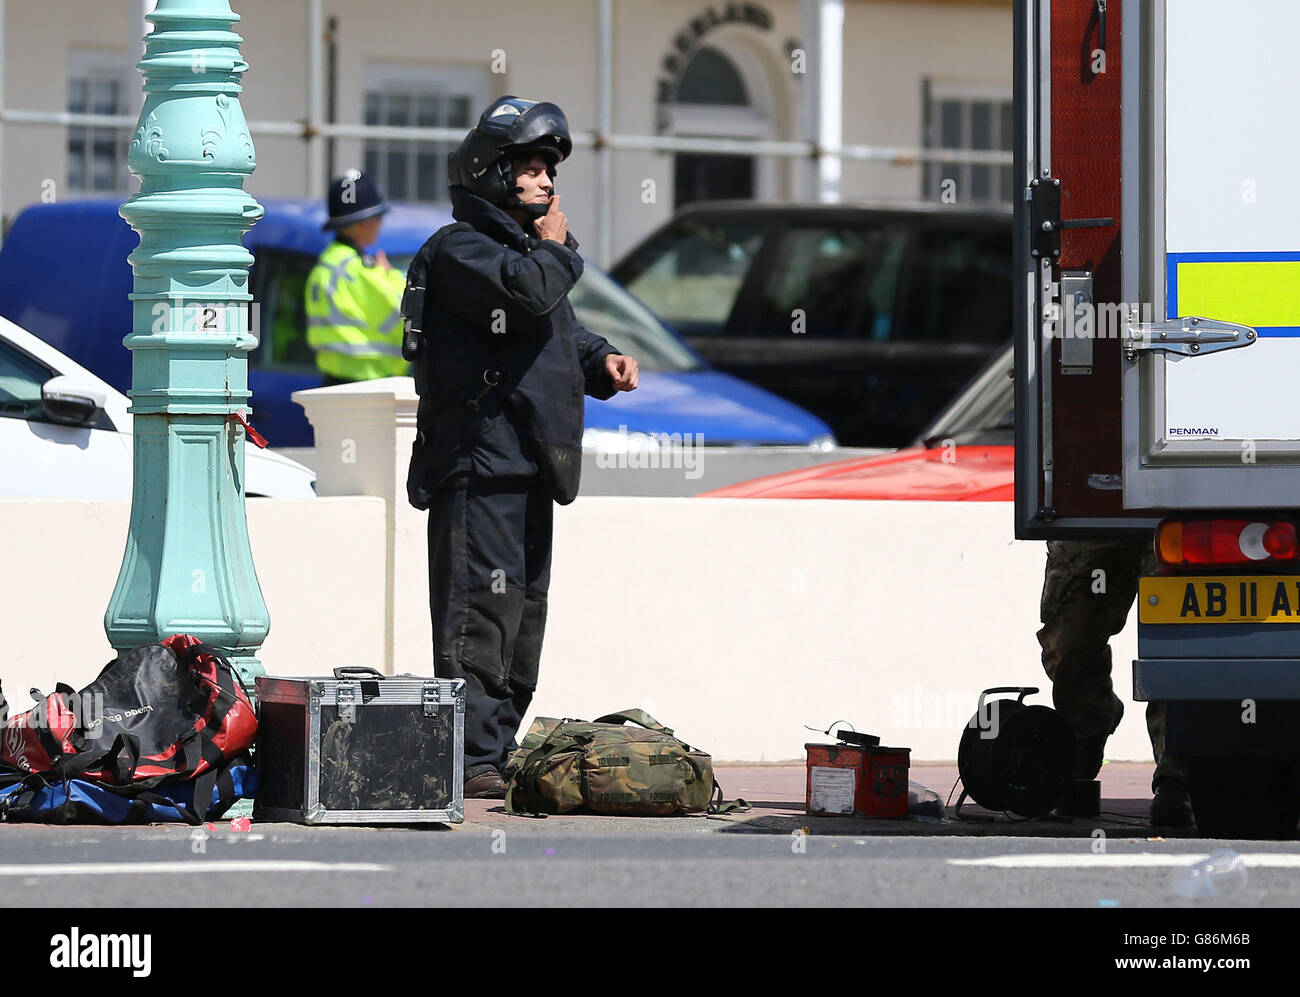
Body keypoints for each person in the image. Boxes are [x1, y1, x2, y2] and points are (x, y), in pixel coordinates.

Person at [404, 96, 639, 799]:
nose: (546, 182)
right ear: (490, 172)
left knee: (523, 614)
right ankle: (469, 756)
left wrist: (603, 361)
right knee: (481, 611)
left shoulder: (524, 255)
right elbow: (529, 293)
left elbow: (551, 329)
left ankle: (494, 747)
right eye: (531, 168)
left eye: (548, 169)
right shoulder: (462, 251)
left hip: (529, 464)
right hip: (481, 466)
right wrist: (559, 248)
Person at [1038, 536, 1192, 826]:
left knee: (1173, 641)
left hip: (1168, 507)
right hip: (1094, 513)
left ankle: (1175, 776)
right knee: (1069, 645)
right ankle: (1088, 727)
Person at [305, 170, 409, 385]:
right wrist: (391, 274)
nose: (380, 224)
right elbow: (407, 309)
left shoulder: (325, 265)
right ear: (366, 221)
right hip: (368, 384)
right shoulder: (359, 270)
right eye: (379, 217)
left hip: (332, 383)